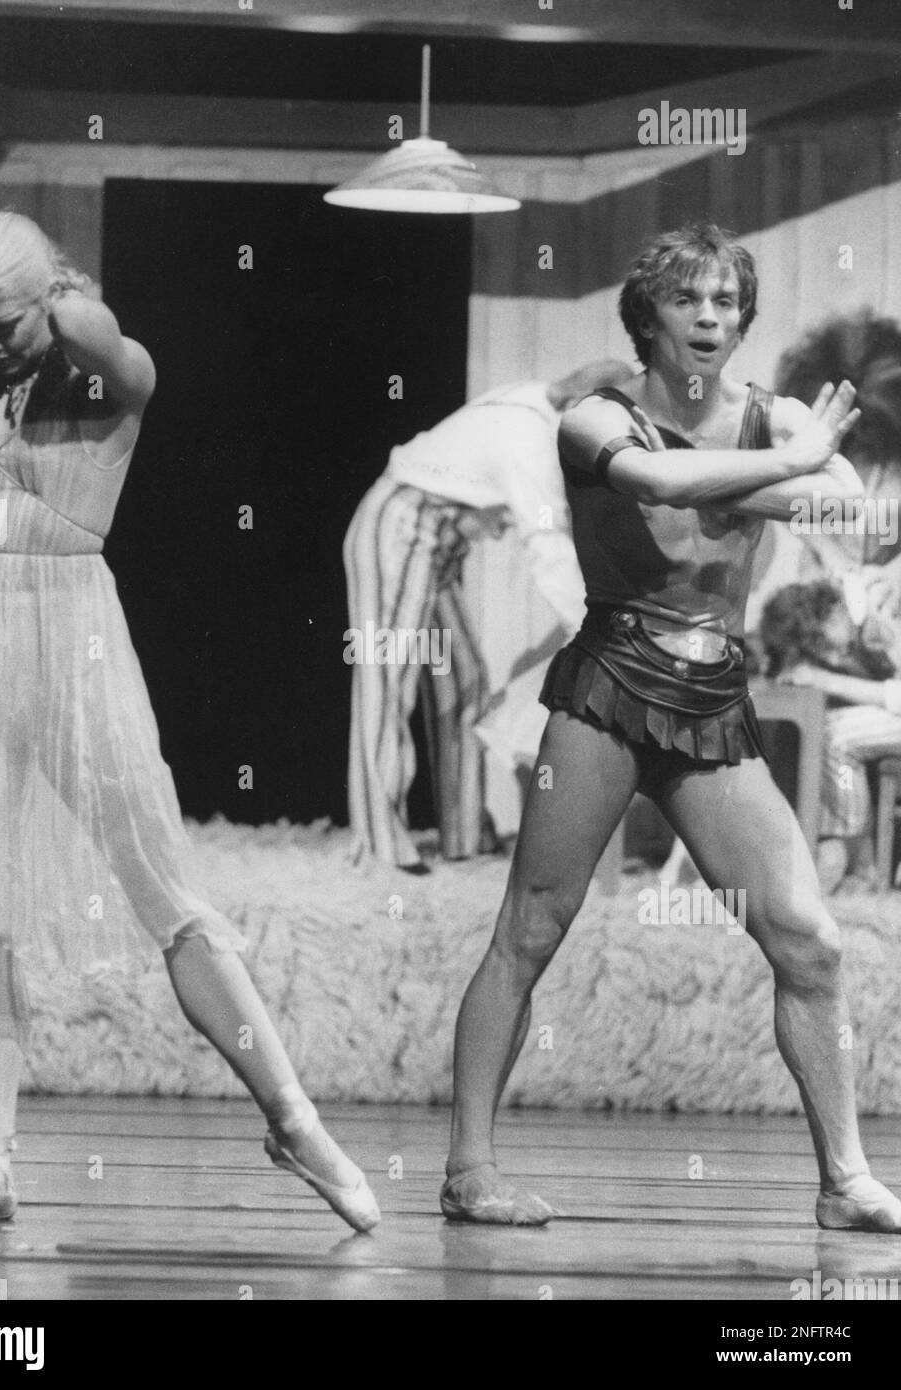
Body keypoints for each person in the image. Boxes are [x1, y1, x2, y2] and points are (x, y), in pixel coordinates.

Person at [0, 212, 379, 1232]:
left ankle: (293, 1117)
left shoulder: (111, 377)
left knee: (168, 886)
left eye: (6, 326)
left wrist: (40, 304)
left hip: (70, 635)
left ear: (54, 298)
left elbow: (98, 336)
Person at [441, 222, 901, 1233]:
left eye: (725, 303)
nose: (708, 318)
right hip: (608, 684)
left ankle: (844, 1180)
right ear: (647, 318)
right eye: (688, 301)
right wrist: (789, 471)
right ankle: (469, 1168)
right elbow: (653, 483)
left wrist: (798, 465)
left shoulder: (770, 415)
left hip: (711, 695)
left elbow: (850, 506)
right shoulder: (594, 415)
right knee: (528, 929)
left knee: (810, 941)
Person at [343, 361, 632, 872]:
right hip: (401, 526)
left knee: (465, 681)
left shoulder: (536, 403)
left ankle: (464, 833)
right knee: (387, 680)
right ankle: (379, 843)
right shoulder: (530, 439)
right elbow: (548, 548)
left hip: (438, 544)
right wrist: (592, 628)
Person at [760, 580, 901, 891]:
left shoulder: (884, 612)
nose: (832, 658)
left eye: (823, 646)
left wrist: (824, 678)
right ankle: (853, 855)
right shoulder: (855, 621)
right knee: (826, 732)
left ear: (836, 615)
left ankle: (847, 849)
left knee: (838, 734)